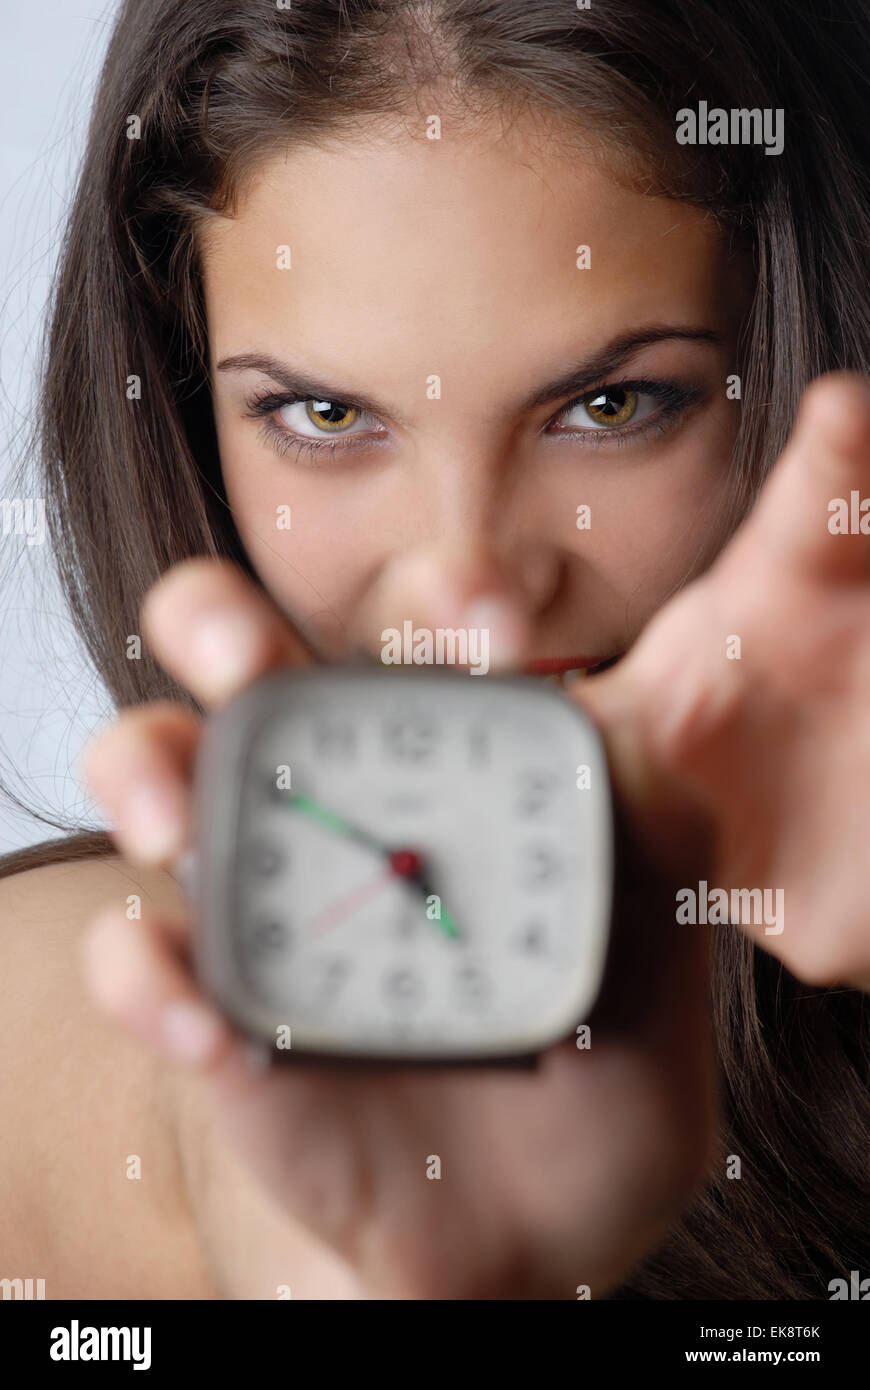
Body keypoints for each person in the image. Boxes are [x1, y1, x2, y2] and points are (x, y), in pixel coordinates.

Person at [1, 0, 869, 1300]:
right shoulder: (71, 976)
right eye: (325, 412)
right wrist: (343, 1242)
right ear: (189, 408)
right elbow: (153, 1115)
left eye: (610, 405)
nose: (465, 587)